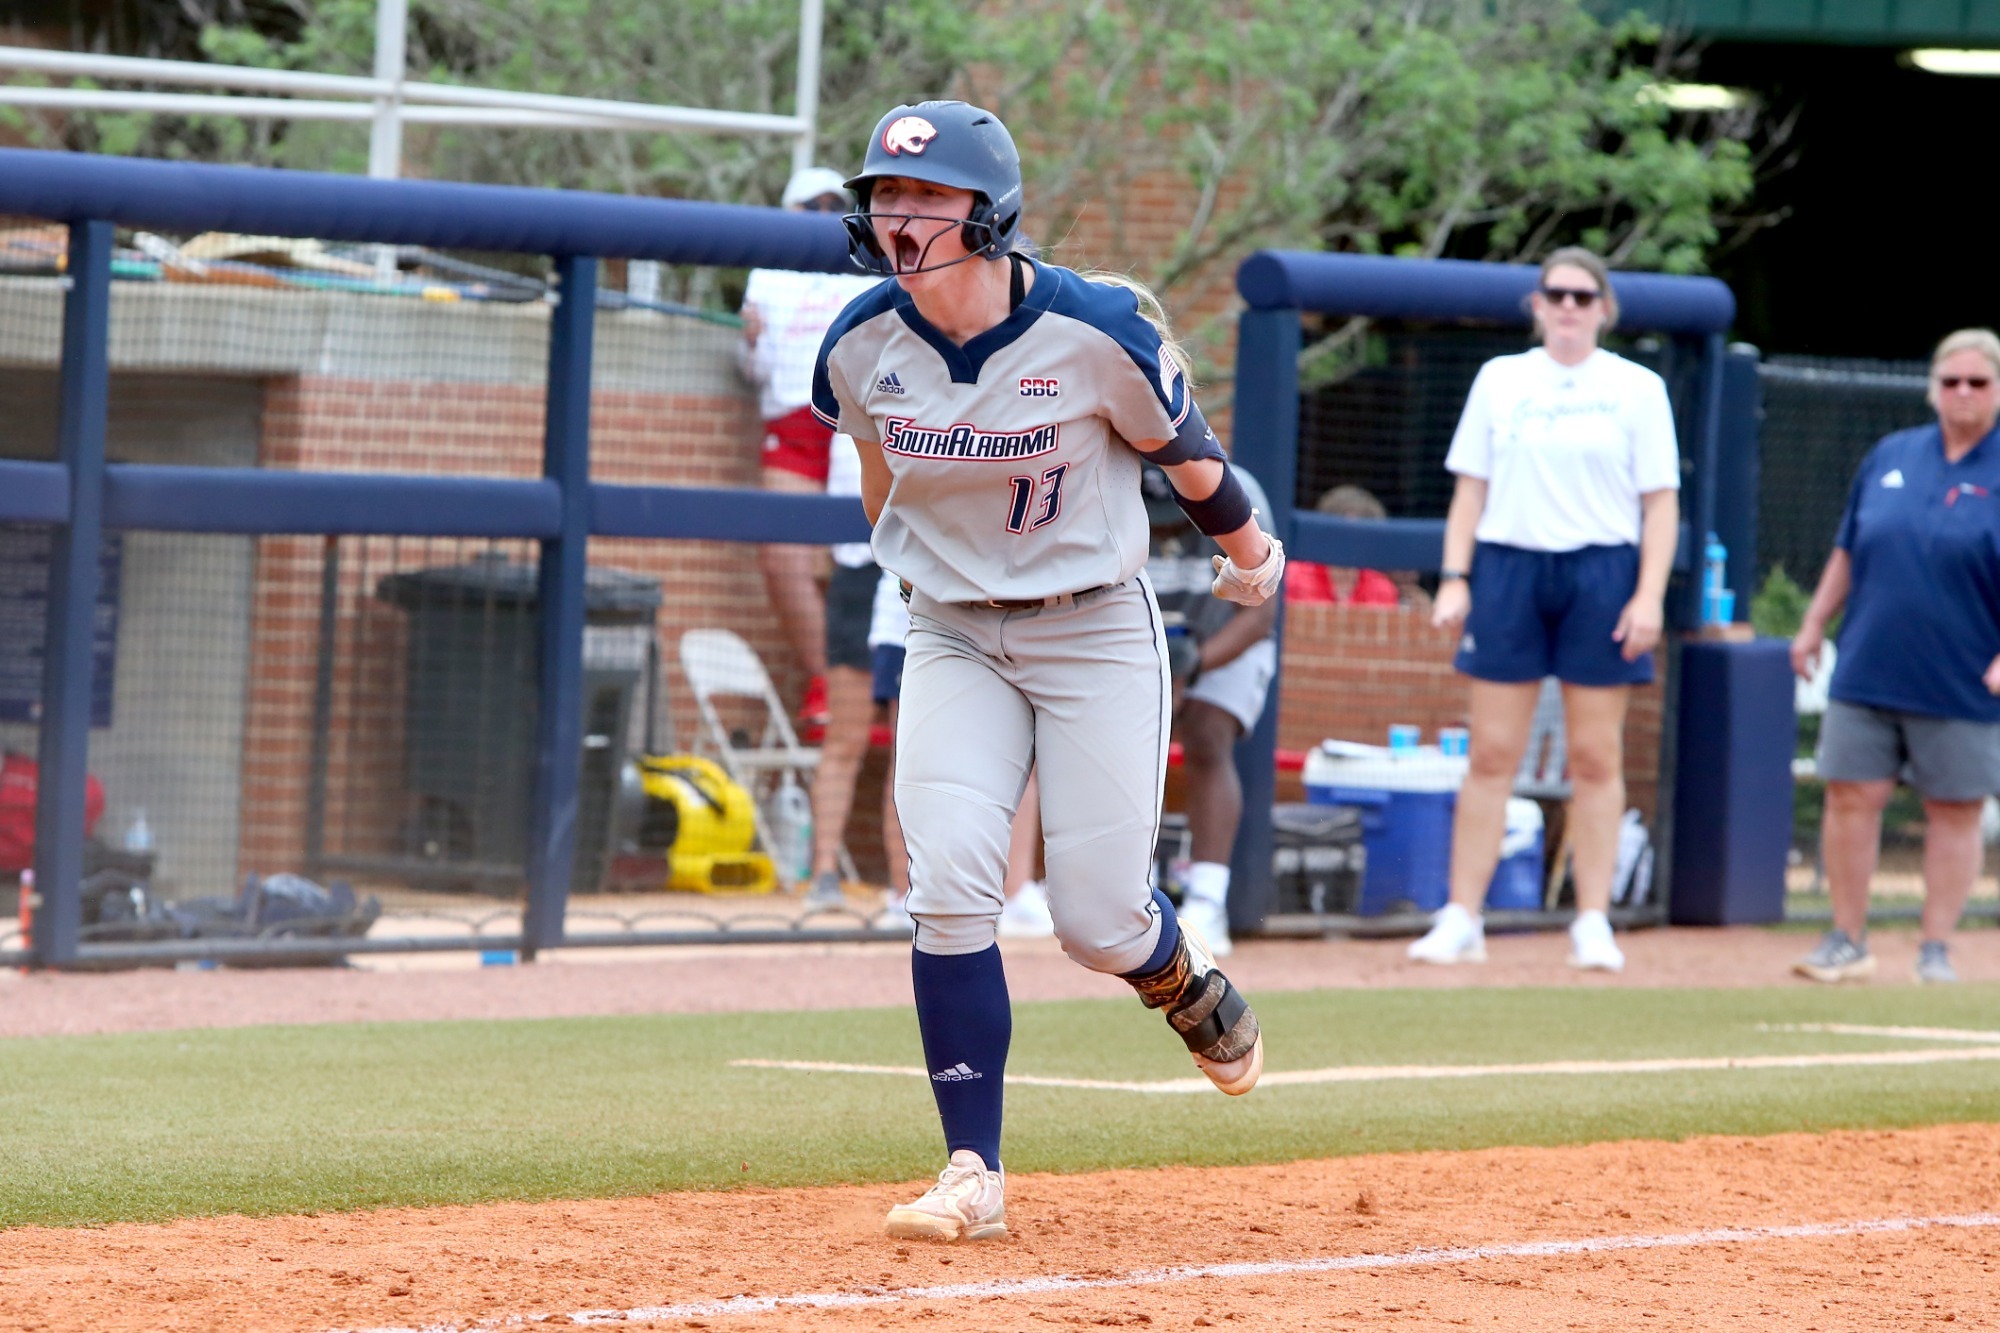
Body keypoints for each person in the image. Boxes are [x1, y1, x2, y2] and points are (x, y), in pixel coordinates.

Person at [811, 99, 1283, 1243]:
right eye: (885, 194)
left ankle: (1178, 977)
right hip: (952, 632)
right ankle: (969, 1169)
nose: (899, 216)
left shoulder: (1093, 329)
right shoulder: (860, 343)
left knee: (1095, 920)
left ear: (989, 215)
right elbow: (879, 486)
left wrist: (1251, 554)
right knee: (947, 888)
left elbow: (1192, 461)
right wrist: (923, 584)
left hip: (1092, 628)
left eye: (928, 196)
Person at [1410, 246, 1680, 973]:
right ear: (1536, 304)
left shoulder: (1638, 388)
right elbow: (1470, 489)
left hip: (1602, 571)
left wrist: (1648, 594)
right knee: (1492, 752)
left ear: (1604, 309)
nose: (1567, 306)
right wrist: (1456, 578)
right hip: (1510, 567)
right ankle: (1462, 916)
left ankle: (1592, 920)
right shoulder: (1501, 379)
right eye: (1555, 294)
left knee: (1595, 755)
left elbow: (1661, 503)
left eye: (1582, 296)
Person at [1789, 328, 2000, 986]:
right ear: (1932, 388)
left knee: (1954, 806)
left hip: (1964, 669)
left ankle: (1935, 947)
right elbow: (1849, 547)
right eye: (1950, 381)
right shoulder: (1892, 453)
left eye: (1978, 382)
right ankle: (1846, 938)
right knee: (1851, 794)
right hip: (1870, 660)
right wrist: (1813, 623)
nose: (1962, 393)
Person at [737, 167, 878, 725]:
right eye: (810, 207)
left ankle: (876, 685)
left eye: (832, 206)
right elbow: (755, 370)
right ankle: (829, 683)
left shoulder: (869, 261)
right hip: (792, 426)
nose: (823, 216)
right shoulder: (766, 272)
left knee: (859, 557)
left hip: (853, 423)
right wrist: (750, 342)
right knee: (783, 557)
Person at [1140, 462, 1281, 956]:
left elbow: (1260, 616)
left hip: (1223, 638)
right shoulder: (1106, 484)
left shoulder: (1237, 491)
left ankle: (1208, 899)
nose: (1165, 530)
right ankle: (1134, 892)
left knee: (1206, 733)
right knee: (1129, 745)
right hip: (1137, 640)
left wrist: (1192, 666)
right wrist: (1158, 673)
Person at [802, 435, 912, 914]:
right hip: (858, 575)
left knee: (908, 752)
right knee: (845, 739)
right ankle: (823, 872)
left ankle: (904, 891)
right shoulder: (847, 403)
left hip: (908, 573)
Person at [1285, 485, 1403, 607]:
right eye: (1344, 532)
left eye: (1359, 533)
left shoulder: (1382, 590)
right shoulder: (1291, 578)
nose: (1351, 540)